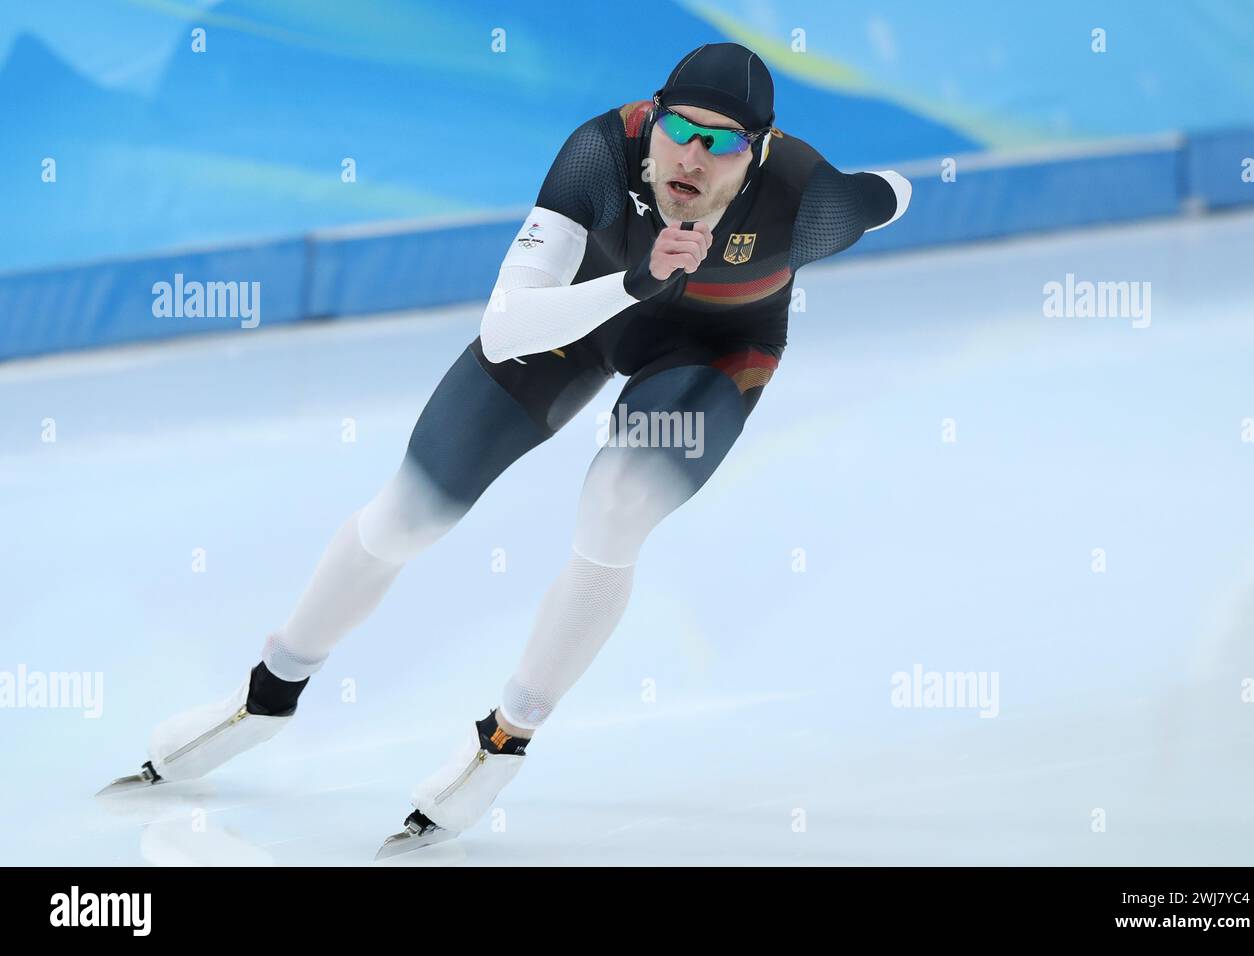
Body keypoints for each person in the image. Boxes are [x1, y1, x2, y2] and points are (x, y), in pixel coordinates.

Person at [100, 42, 911, 856]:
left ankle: (506, 738)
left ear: (759, 151)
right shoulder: (600, 152)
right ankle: (267, 698)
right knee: (408, 515)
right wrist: (633, 284)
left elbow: (889, 193)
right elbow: (505, 324)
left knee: (617, 510)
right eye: (678, 129)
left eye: (723, 142)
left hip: (712, 351)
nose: (691, 158)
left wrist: (900, 187)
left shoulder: (810, 202)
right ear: (652, 117)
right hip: (579, 317)